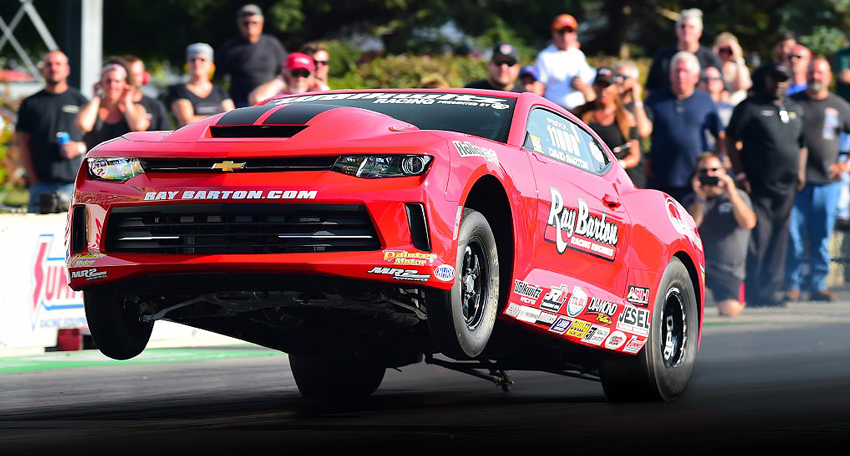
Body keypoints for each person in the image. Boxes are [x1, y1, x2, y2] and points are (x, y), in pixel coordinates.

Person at [726, 63, 805, 307]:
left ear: (789, 81)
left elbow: (802, 144)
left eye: (783, 79)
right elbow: (730, 139)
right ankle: (755, 291)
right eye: (775, 78)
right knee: (759, 237)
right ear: (767, 80)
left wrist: (800, 171)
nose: (779, 83)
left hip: (787, 185)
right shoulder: (750, 107)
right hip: (757, 184)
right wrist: (740, 175)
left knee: (780, 237)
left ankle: (771, 291)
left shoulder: (795, 108)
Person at [785, 58, 850, 302]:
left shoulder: (839, 106)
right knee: (794, 235)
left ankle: (817, 284)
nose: (815, 76)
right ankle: (791, 283)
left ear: (828, 75)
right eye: (811, 72)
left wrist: (846, 164)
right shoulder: (794, 103)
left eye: (820, 72)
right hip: (798, 182)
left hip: (828, 182)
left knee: (822, 236)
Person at [645, 51, 724, 203]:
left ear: (695, 76)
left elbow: (720, 134)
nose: (681, 75)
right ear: (670, 74)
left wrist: (717, 162)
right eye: (677, 71)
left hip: (694, 179)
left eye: (685, 71)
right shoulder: (655, 98)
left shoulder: (705, 101)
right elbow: (642, 131)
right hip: (660, 177)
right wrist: (645, 156)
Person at [684, 153, 756, 317]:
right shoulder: (692, 200)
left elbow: (748, 223)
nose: (709, 174)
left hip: (729, 271)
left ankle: (739, 296)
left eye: (714, 170)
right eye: (704, 171)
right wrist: (700, 200)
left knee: (730, 311)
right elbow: (689, 231)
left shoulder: (738, 196)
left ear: (723, 172)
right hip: (700, 266)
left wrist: (731, 193)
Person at [15, 50, 88, 213]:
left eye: (58, 64)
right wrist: (34, 180)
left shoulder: (80, 100)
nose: (53, 68)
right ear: (43, 70)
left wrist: (80, 147)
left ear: (67, 69)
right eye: (48, 64)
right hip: (41, 185)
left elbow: (95, 138)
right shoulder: (30, 104)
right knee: (37, 234)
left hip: (74, 185)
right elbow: (23, 143)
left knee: (74, 235)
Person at [572, 67, 642, 187]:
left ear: (615, 88)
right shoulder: (581, 112)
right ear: (594, 86)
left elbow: (634, 155)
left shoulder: (625, 117)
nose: (602, 90)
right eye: (600, 84)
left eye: (607, 85)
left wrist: (619, 165)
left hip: (616, 181)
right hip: (586, 176)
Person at [216, 4, 287, 107]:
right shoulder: (229, 47)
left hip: (270, 101)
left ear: (261, 24)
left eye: (254, 22)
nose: (250, 26)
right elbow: (217, 78)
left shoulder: (272, 43)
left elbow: (287, 70)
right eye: (246, 23)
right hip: (241, 104)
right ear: (239, 24)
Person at [644, 8, 722, 95]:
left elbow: (723, 90)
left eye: (691, 27)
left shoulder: (710, 58)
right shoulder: (663, 57)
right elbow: (650, 89)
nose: (686, 30)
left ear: (699, 32)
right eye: (683, 26)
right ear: (676, 29)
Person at [76, 62, 150, 151]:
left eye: (117, 81)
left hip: (126, 163)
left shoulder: (137, 109)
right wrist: (96, 97)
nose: (112, 85)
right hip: (97, 163)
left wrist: (127, 102)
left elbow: (138, 127)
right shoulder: (91, 109)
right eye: (108, 81)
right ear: (100, 83)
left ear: (124, 84)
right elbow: (84, 125)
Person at [535, 14, 596, 109]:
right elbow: (539, 88)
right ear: (553, 33)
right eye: (561, 32)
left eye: (569, 31)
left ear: (575, 34)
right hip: (555, 111)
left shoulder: (578, 54)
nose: (565, 36)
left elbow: (589, 84)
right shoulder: (545, 56)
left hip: (579, 111)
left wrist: (582, 86)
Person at [169, 43, 235, 128]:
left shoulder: (220, 91)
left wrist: (199, 118)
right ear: (187, 64)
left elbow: (233, 120)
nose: (197, 62)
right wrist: (220, 119)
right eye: (192, 59)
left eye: (202, 59)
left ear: (211, 65)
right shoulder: (179, 91)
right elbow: (187, 122)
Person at [119, 55, 171, 131]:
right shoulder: (111, 105)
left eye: (136, 75)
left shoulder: (155, 106)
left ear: (144, 77)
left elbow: (166, 135)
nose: (132, 79)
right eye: (129, 75)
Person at [248, 53, 317, 103]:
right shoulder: (276, 95)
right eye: (295, 73)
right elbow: (257, 99)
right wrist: (279, 82)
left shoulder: (315, 96)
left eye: (305, 74)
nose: (300, 78)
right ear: (285, 72)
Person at [750, 31, 796, 96]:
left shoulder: (798, 73)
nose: (785, 50)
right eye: (782, 46)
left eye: (790, 47)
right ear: (775, 47)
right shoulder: (762, 72)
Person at [712, 32, 751, 105]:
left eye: (729, 51)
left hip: (735, 107)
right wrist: (713, 56)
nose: (725, 54)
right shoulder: (712, 68)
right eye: (722, 50)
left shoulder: (739, 67)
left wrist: (738, 58)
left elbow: (743, 85)